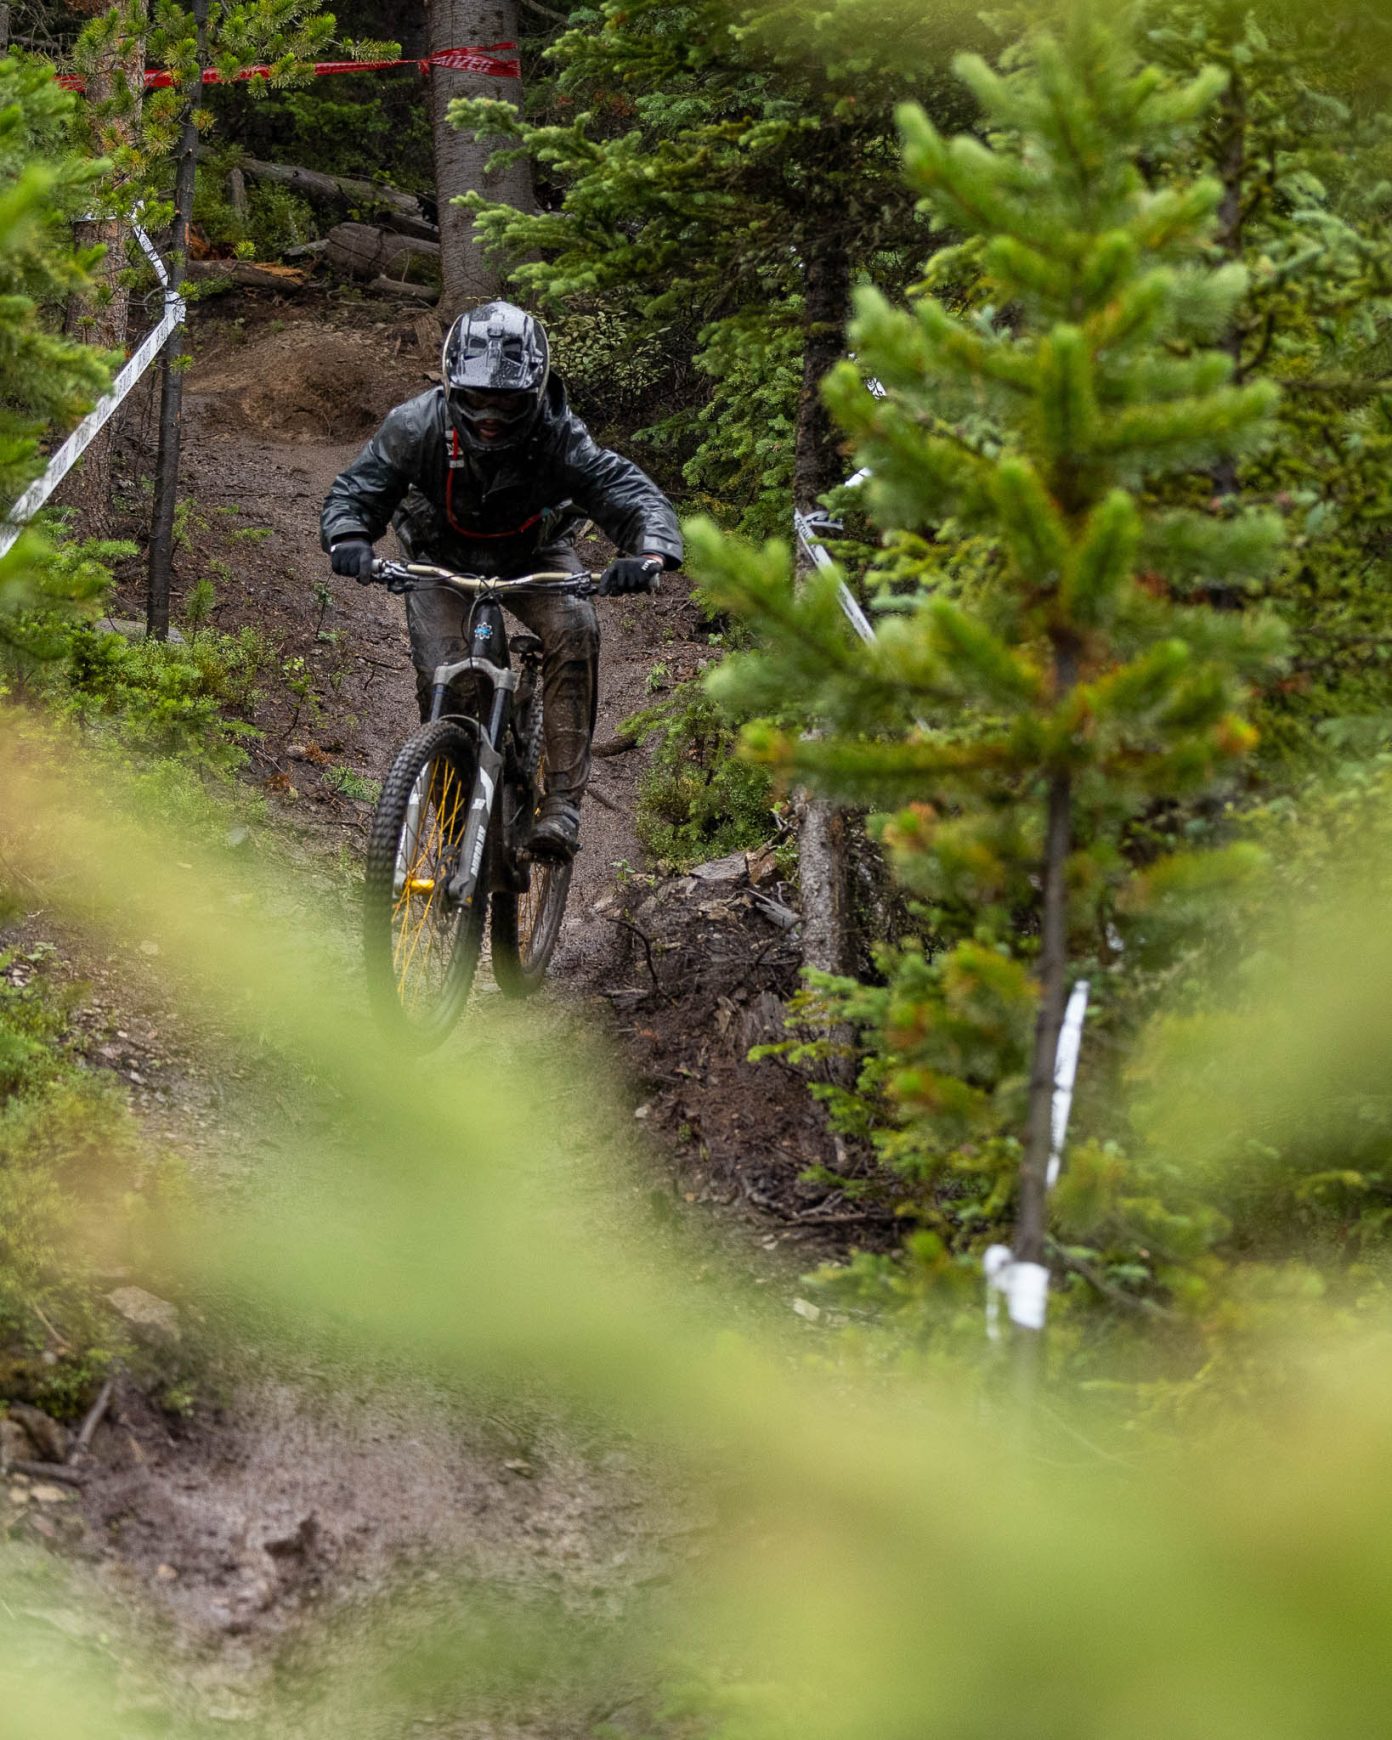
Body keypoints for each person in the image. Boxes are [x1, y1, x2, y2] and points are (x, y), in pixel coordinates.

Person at [321, 301, 682, 859]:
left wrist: (651, 552)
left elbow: (627, 492)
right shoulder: (415, 423)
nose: (489, 414)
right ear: (451, 387)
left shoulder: (560, 434)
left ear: (534, 392)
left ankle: (562, 803)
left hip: (531, 555)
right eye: (476, 397)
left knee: (576, 631)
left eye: (506, 400)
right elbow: (357, 490)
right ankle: (456, 819)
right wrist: (349, 538)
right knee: (447, 677)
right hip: (437, 558)